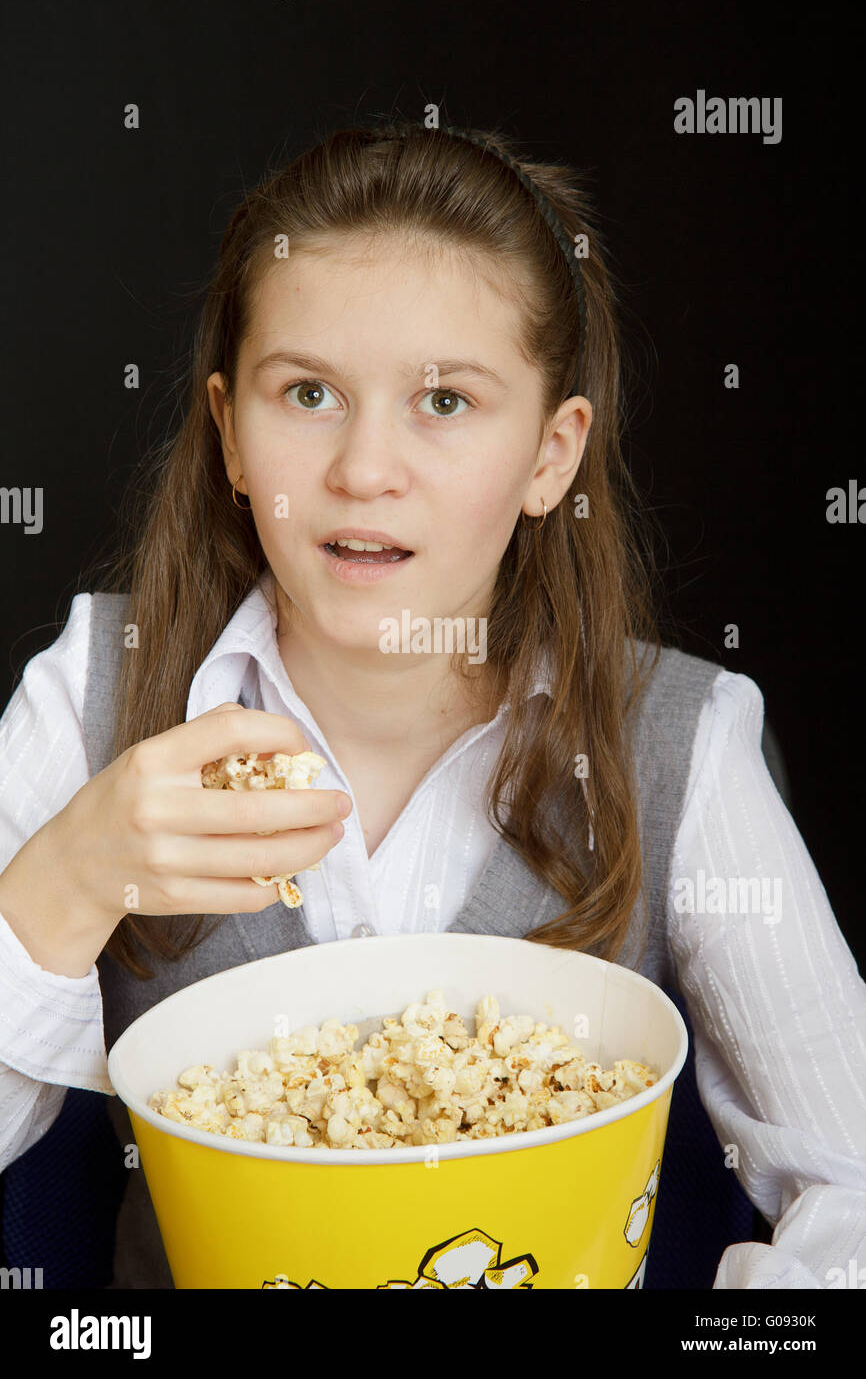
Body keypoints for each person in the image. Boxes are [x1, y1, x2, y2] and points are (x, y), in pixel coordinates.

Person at [0, 119, 863, 1290]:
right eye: (306, 391)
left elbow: (851, 1180)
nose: (364, 468)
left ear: (551, 456)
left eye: (445, 402)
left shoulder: (682, 745)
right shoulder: (96, 688)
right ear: (229, 437)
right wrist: (65, 879)